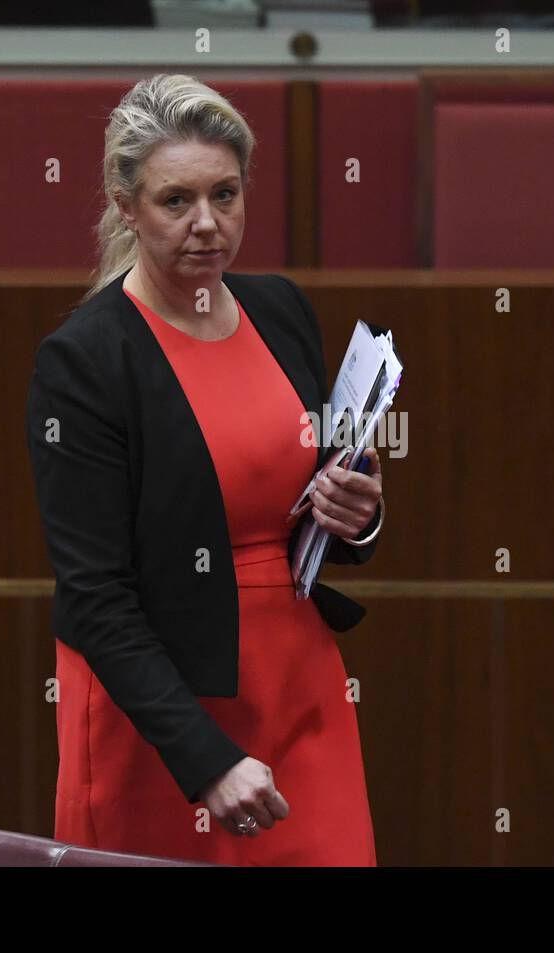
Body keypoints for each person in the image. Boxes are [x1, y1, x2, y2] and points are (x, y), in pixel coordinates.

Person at [25, 74, 386, 866]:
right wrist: (205, 758)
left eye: (225, 195)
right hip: (159, 711)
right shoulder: (85, 363)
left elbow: (320, 489)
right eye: (175, 201)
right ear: (126, 205)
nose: (207, 225)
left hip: (298, 683)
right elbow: (94, 596)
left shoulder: (281, 309)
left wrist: (358, 511)